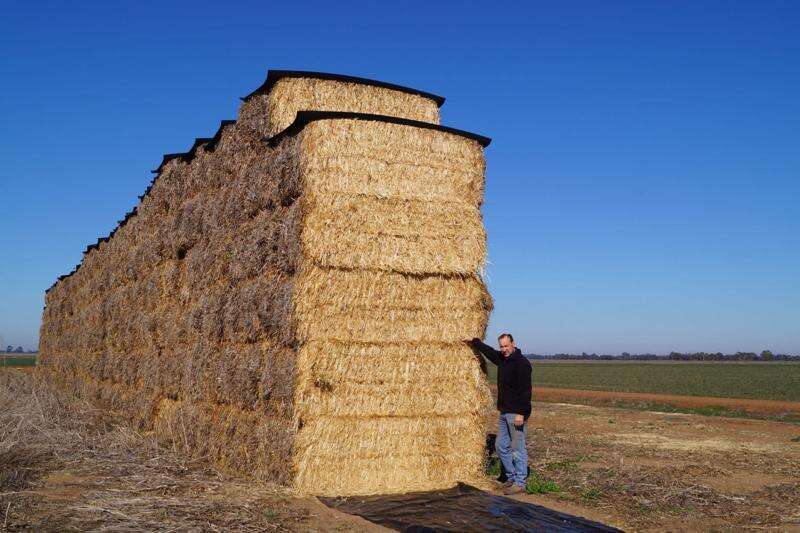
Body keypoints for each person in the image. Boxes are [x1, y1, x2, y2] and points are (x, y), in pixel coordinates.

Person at [466, 333, 532, 494]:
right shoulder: (503, 359)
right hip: (504, 412)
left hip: (515, 413)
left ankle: (520, 482)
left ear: (513, 344)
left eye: (506, 346)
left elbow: (526, 391)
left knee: (517, 448)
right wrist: (474, 342)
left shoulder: (522, 363)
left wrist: (521, 413)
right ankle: (510, 477)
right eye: (501, 346)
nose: (503, 349)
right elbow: (489, 352)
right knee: (500, 446)